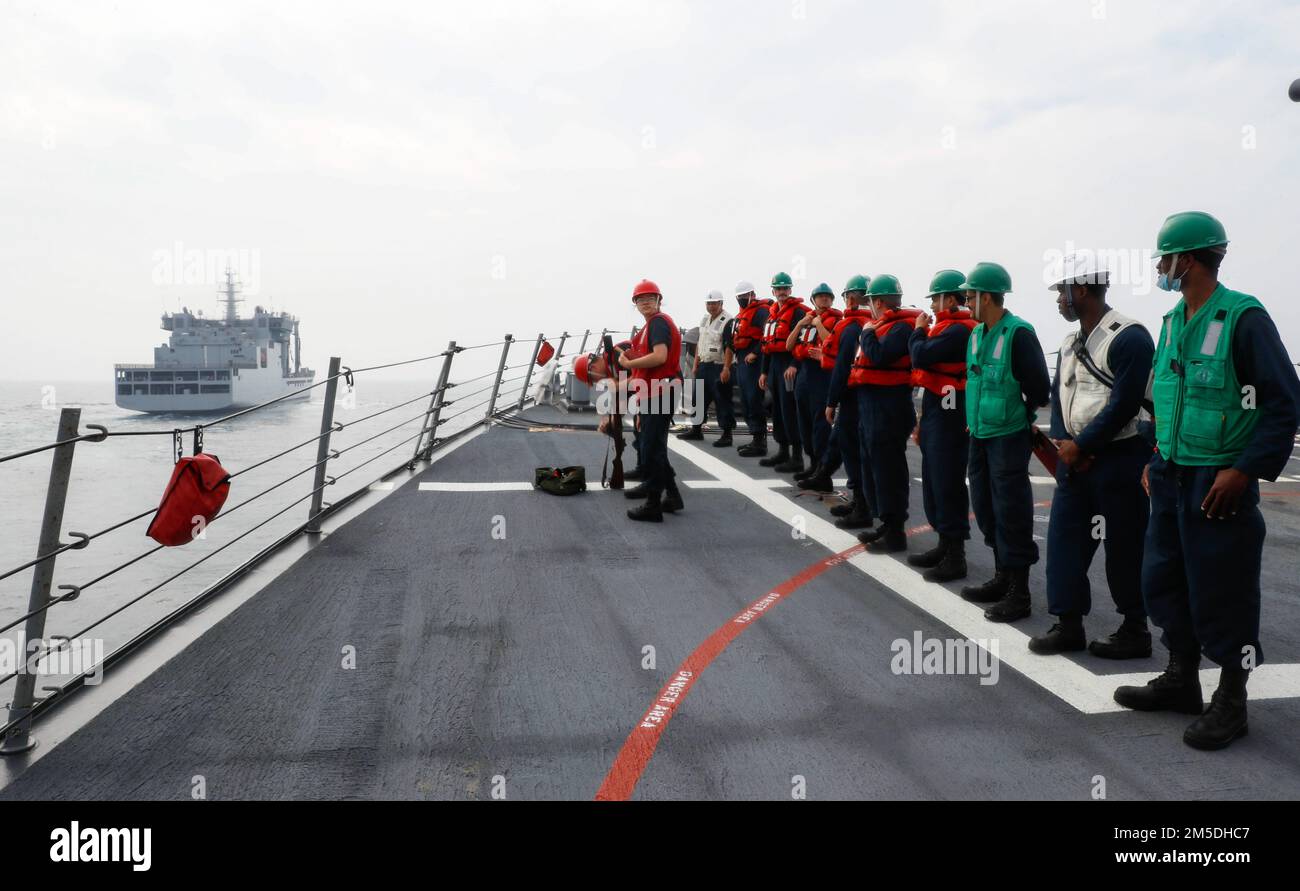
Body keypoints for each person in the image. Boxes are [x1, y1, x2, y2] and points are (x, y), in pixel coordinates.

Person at [1113, 212, 1300, 750]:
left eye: (1163, 259)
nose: (1158, 268)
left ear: (1187, 259)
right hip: (1171, 474)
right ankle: (1181, 678)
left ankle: (1232, 701)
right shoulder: (1173, 322)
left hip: (1218, 479)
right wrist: (1155, 456)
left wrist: (1242, 471)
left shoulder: (1244, 318)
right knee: (1165, 579)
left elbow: (1283, 404)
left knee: (1225, 589)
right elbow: (1165, 397)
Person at [1029, 253, 1155, 659]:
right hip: (1075, 464)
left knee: (1125, 547)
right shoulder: (1069, 343)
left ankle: (1135, 629)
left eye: (1061, 293)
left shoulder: (1130, 337)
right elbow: (1059, 396)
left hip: (1119, 459)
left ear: (1080, 288)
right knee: (1064, 544)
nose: (1059, 302)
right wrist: (1065, 444)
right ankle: (1068, 625)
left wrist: (1083, 446)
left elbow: (1124, 403)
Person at [959, 262, 1051, 622]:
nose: (966, 303)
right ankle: (1001, 576)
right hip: (979, 435)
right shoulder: (977, 334)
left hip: (1008, 437)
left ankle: (1019, 592)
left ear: (986, 296)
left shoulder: (1018, 334)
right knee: (984, 505)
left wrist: (1017, 418)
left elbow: (1039, 389)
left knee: (1012, 511)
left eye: (969, 297)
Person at [907, 269, 977, 582]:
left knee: (947, 481)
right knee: (936, 480)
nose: (932, 307)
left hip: (952, 414)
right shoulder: (948, 328)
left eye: (935, 299)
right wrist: (922, 421)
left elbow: (920, 356)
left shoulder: (958, 331)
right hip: (938, 409)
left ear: (949, 298)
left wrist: (918, 331)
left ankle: (955, 555)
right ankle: (944, 544)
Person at [847, 274, 920, 553]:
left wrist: (865, 332)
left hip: (888, 408)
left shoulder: (900, 328)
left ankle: (895, 531)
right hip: (873, 406)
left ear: (878, 302)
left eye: (870, 302)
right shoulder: (885, 326)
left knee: (888, 470)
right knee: (873, 467)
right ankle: (886, 523)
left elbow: (879, 356)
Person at [619, 279, 685, 522]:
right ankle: (673, 496)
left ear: (659, 300)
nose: (645, 302)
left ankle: (653, 505)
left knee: (651, 449)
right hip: (654, 392)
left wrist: (628, 364)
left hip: (661, 391)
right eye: (641, 299)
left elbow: (659, 357)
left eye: (650, 298)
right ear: (635, 304)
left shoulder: (657, 323)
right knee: (653, 445)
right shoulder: (650, 326)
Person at [823, 275, 875, 530]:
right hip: (869, 397)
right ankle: (861, 502)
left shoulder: (852, 327)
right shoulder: (875, 324)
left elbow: (842, 366)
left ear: (852, 297)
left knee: (852, 451)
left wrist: (831, 401)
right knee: (861, 451)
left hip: (852, 399)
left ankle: (862, 507)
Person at [788, 282, 842, 492]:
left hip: (822, 376)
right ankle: (813, 465)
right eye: (820, 297)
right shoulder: (807, 320)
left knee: (820, 425)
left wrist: (819, 323)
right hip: (804, 374)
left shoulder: (837, 320)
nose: (824, 299)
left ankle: (823, 472)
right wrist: (800, 325)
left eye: (827, 297)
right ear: (813, 300)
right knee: (804, 422)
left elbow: (832, 343)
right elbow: (789, 346)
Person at [758, 273, 809, 472]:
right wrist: (763, 372)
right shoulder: (773, 315)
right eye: (778, 289)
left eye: (785, 289)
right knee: (777, 411)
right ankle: (782, 450)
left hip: (790, 367)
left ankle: (797, 456)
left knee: (789, 411)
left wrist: (795, 364)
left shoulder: (798, 312)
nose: (782, 292)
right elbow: (767, 346)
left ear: (791, 290)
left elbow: (805, 340)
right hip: (775, 367)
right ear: (773, 291)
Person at [678, 290, 735, 445]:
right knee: (698, 398)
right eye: (709, 303)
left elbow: (729, 346)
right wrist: (696, 362)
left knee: (722, 399)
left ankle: (727, 434)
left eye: (714, 303)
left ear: (721, 303)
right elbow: (700, 342)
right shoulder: (704, 319)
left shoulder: (728, 321)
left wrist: (726, 368)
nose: (711, 306)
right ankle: (696, 430)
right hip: (704, 364)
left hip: (719, 366)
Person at [727, 281, 772, 457]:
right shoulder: (741, 315)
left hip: (754, 361)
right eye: (740, 297)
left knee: (754, 399)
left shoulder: (761, 312)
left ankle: (760, 442)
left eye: (746, 296)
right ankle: (755, 438)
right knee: (746, 400)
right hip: (742, 360)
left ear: (753, 294)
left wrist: (755, 352)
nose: (743, 299)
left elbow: (767, 335)